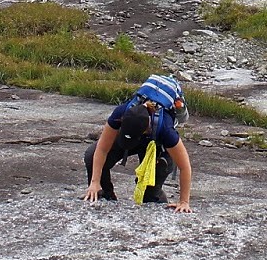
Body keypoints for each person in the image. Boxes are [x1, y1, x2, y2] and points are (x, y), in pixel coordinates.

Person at [82, 75, 193, 212]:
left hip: (156, 145)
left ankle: (155, 200)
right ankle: (104, 194)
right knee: (91, 156)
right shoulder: (121, 112)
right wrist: (95, 182)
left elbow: (185, 166)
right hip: (134, 132)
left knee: (148, 191)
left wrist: (184, 201)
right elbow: (102, 149)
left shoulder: (165, 129)